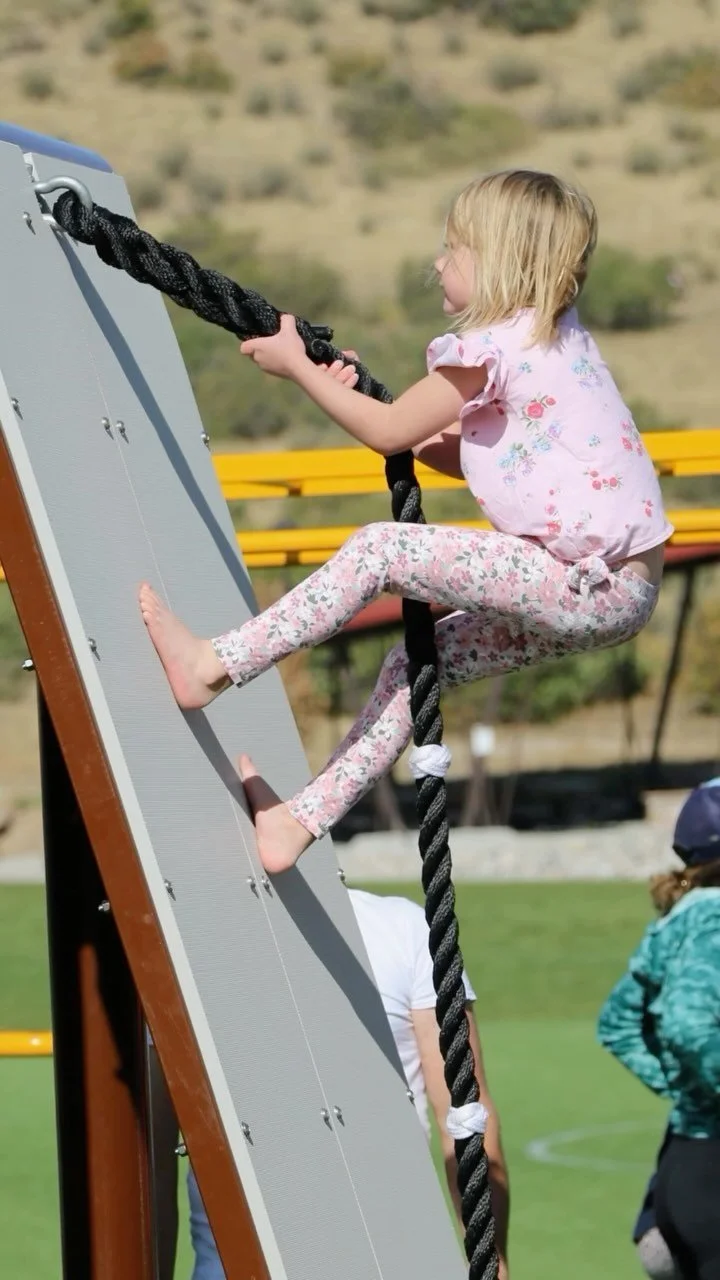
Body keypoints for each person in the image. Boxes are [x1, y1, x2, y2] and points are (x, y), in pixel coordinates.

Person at [138, 168, 671, 874]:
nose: (438, 263)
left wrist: (297, 369)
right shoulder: (554, 343)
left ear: (502, 262)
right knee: (414, 663)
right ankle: (297, 824)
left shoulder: (493, 349)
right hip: (617, 594)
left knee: (380, 549)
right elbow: (454, 450)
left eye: (454, 249)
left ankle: (213, 665)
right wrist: (363, 398)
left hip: (580, 582)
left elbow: (390, 432)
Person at [187, 888, 510, 1279]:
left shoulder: (402, 928)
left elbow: (465, 1114)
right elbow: (145, 1146)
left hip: (393, 1257)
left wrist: (492, 1263)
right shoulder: (185, 935)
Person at [597, 778, 720, 1280]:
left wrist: (685, 1086)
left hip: (686, 1165)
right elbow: (690, 1027)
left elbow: (616, 1022)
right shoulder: (714, 918)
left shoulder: (683, 916)